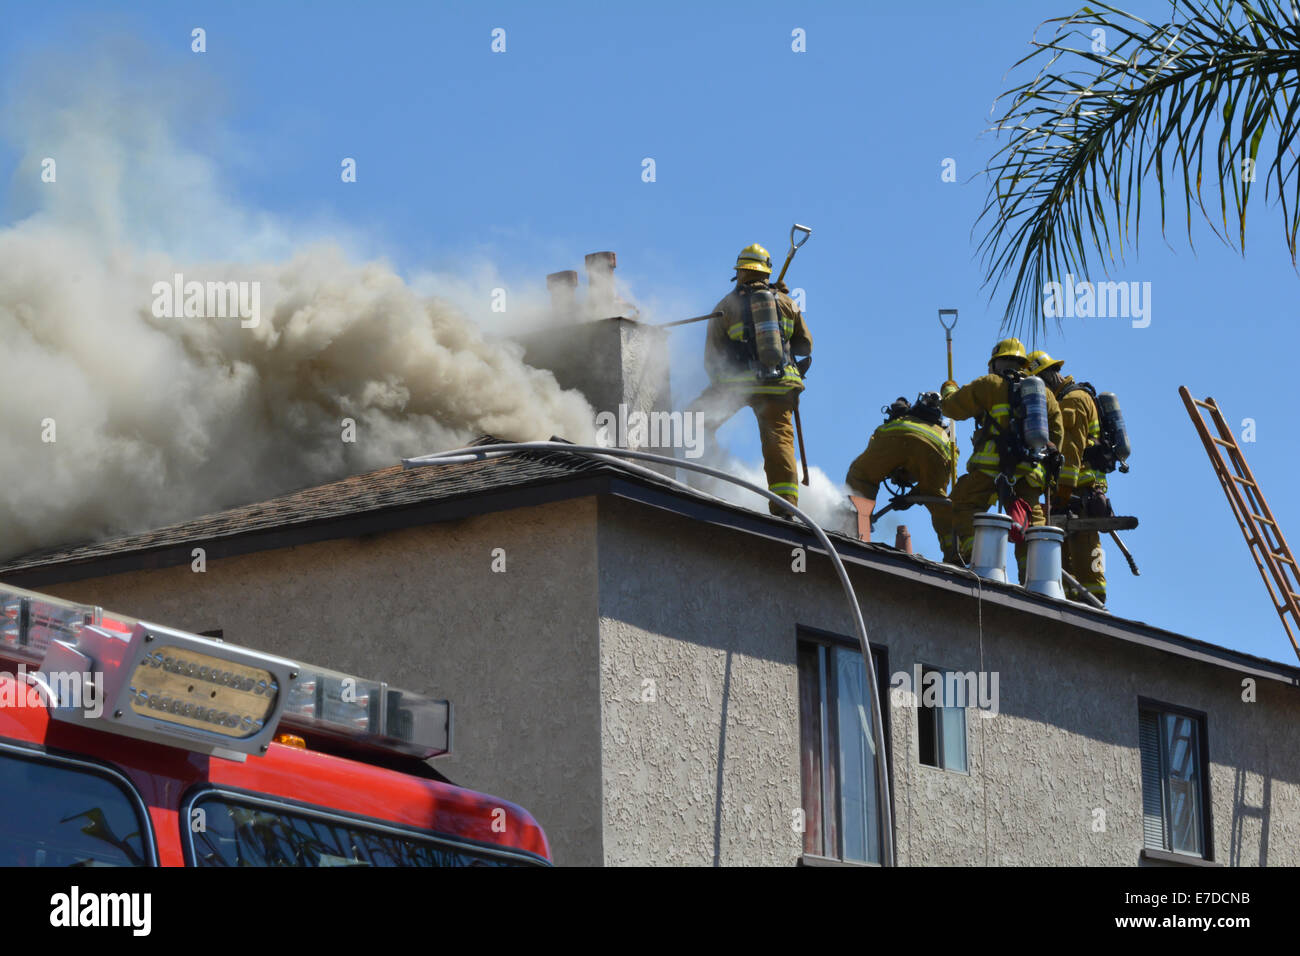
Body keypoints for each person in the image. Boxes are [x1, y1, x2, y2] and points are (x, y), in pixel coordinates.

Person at [688, 243, 812, 515]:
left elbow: (712, 357)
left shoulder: (724, 306)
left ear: (740, 272)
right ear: (766, 272)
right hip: (780, 385)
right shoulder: (788, 303)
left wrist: (722, 387)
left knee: (693, 421)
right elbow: (805, 347)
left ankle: (698, 487)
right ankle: (786, 506)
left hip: (738, 385)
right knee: (778, 441)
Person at [934, 338, 1063, 577]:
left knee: (963, 505)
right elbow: (1056, 436)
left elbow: (952, 408)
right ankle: (1034, 579)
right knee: (1033, 525)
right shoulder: (1044, 393)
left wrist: (949, 388)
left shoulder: (989, 384)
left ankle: (976, 558)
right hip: (1031, 472)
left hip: (989, 469)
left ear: (995, 364)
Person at [1027, 350, 1108, 604]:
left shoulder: (1072, 401)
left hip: (1077, 496)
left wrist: (1060, 496)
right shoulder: (1072, 398)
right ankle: (1074, 611)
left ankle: (1094, 615)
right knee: (1065, 570)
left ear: (1046, 378)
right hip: (1073, 496)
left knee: (1087, 573)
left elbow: (1071, 456)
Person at [846, 393, 954, 550]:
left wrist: (908, 498)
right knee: (938, 502)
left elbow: (874, 444)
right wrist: (911, 498)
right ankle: (955, 554)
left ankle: (858, 532)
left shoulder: (902, 418)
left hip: (894, 436)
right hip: (934, 451)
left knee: (862, 477)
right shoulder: (947, 436)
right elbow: (943, 474)